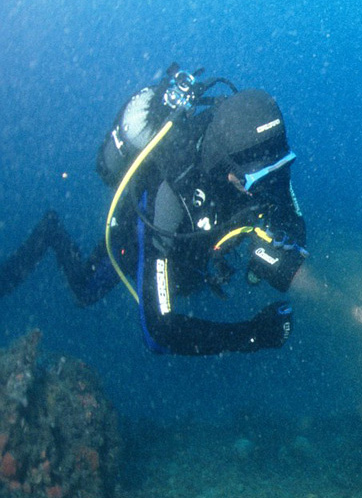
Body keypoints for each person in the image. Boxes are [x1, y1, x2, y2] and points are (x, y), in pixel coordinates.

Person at [0, 65, 307, 355]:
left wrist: (274, 254)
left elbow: (292, 225)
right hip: (137, 241)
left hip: (195, 260)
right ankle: (50, 231)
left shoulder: (266, 161)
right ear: (223, 164)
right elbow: (158, 333)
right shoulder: (171, 191)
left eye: (276, 171)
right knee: (84, 290)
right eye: (252, 178)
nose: (264, 187)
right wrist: (253, 334)